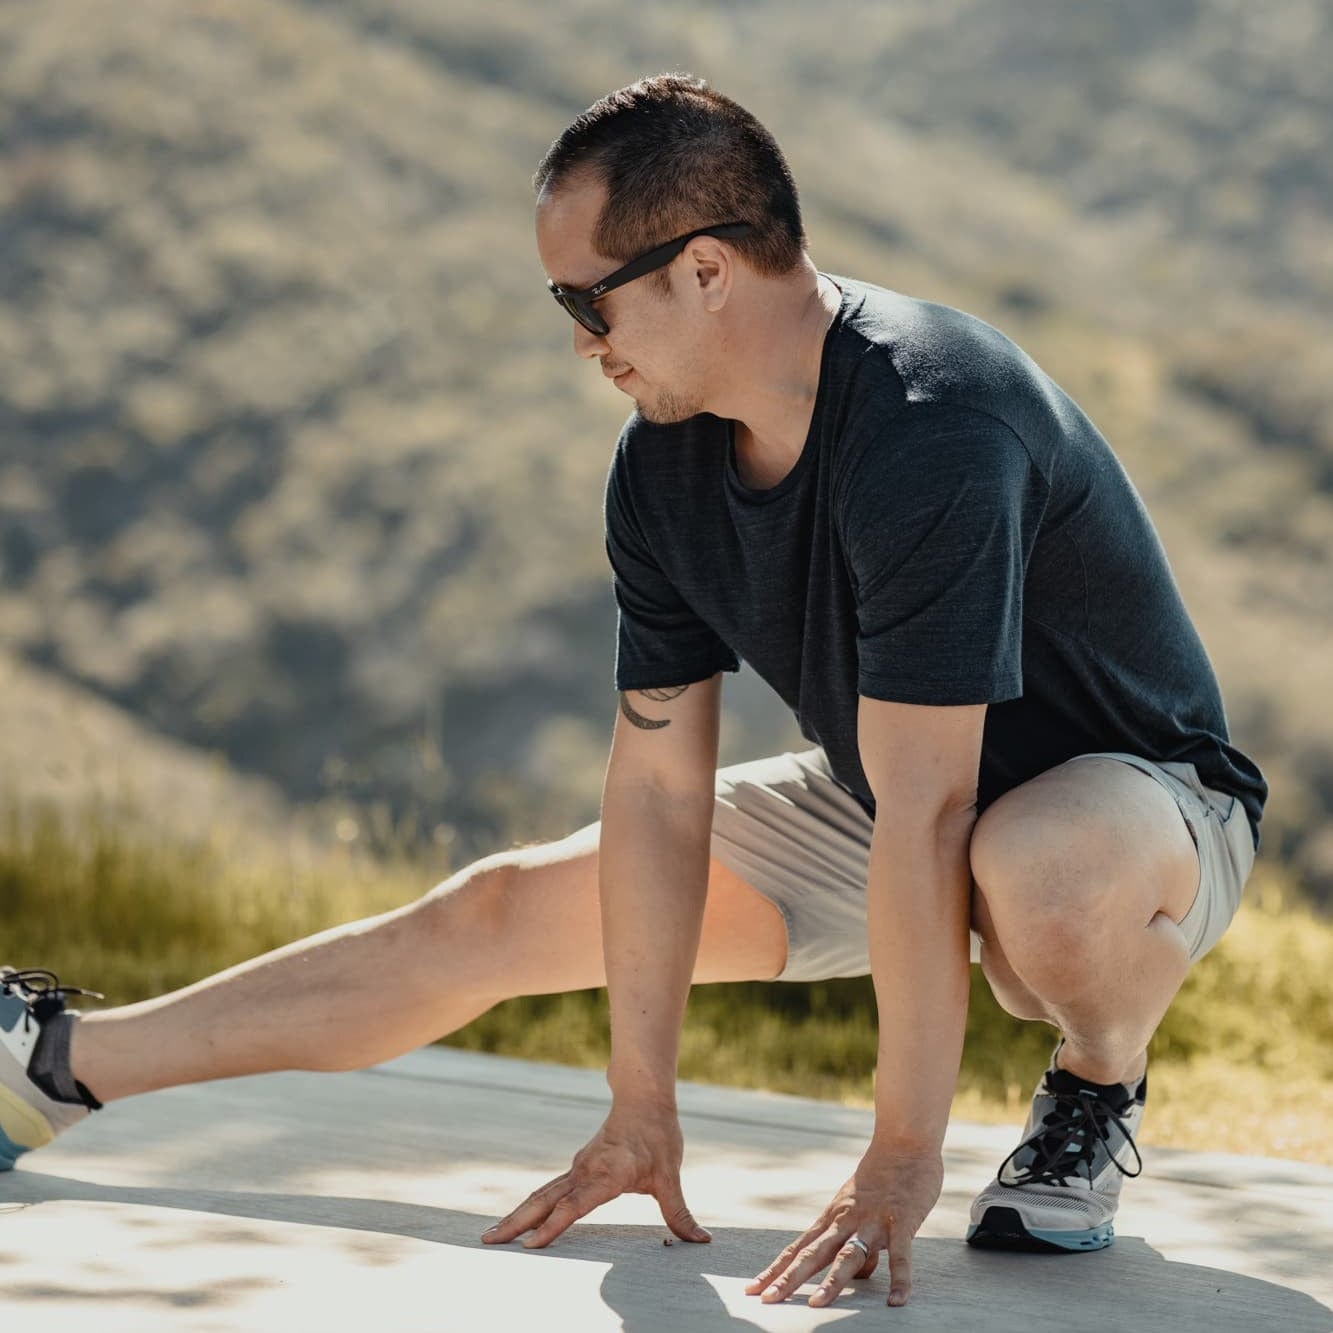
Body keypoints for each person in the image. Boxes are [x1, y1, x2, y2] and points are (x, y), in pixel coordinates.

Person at [0, 74, 1266, 1310]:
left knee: (1031, 875)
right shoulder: (663, 465)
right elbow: (660, 790)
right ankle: (54, 1066)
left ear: (704, 269)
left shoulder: (932, 423)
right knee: (498, 909)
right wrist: (638, 1104)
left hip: (1139, 810)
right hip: (895, 788)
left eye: (587, 299)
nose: (578, 340)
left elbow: (936, 814)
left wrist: (898, 1158)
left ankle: (1096, 1075)